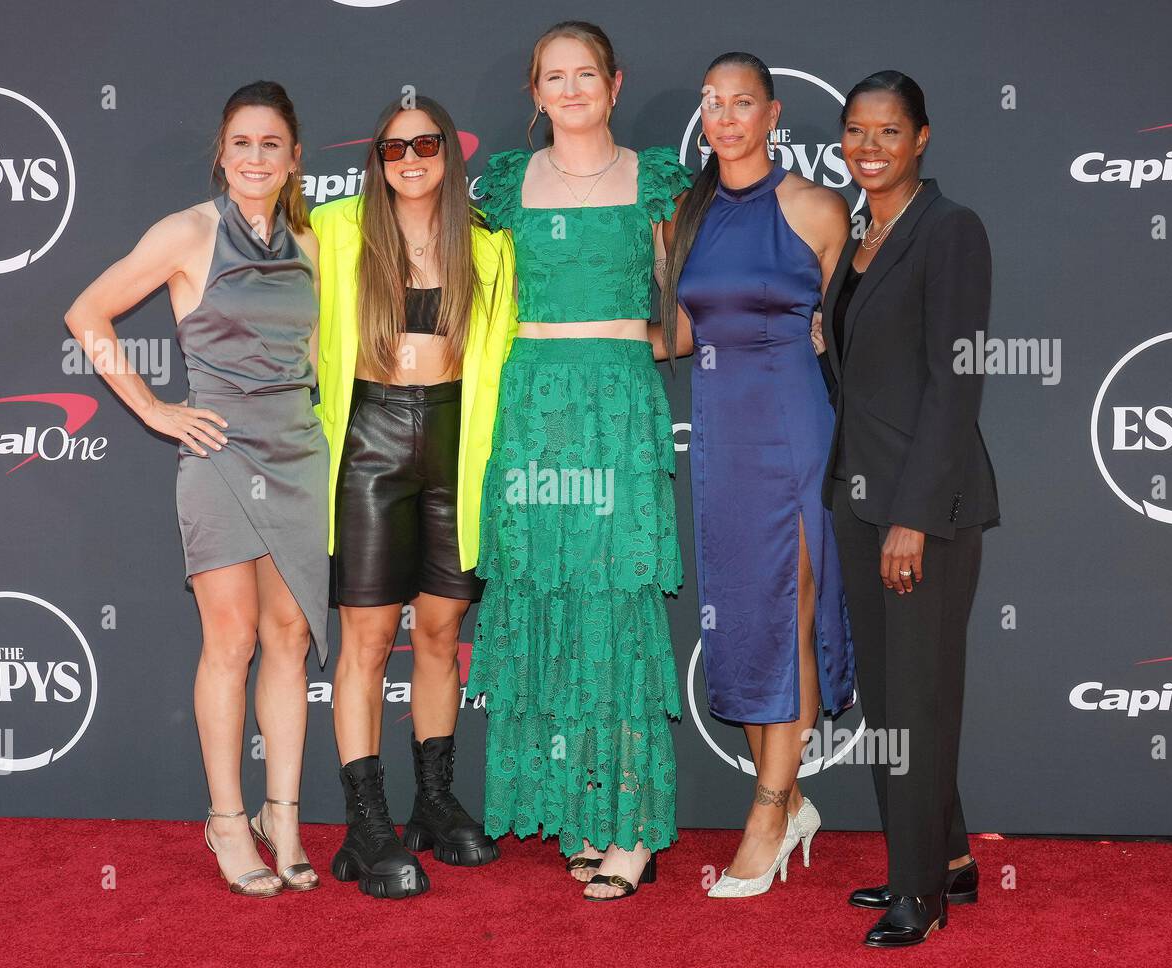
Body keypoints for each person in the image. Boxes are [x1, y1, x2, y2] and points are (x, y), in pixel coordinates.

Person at [65, 81, 327, 897]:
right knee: (233, 638)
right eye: (241, 143)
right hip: (217, 447)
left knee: (289, 638)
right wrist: (155, 411)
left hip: (298, 449)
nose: (256, 158)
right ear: (222, 152)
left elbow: (314, 353)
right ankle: (225, 818)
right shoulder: (188, 231)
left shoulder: (308, 243)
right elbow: (87, 314)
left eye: (271, 144)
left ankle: (282, 816)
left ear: (293, 159)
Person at [466, 20, 691, 902]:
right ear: (534, 92)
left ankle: (630, 828)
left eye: (584, 74)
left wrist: (629, 353)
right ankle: (580, 814)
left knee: (618, 608)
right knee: (546, 599)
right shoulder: (507, 186)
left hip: (620, 409)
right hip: (531, 414)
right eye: (552, 77)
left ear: (615, 82)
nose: (569, 89)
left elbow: (686, 312)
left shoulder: (654, 182)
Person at [655, 52, 856, 898]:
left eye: (743, 102)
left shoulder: (819, 209)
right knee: (744, 612)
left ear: (774, 114)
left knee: (793, 608)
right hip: (725, 438)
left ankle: (769, 811)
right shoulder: (681, 217)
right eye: (714, 102)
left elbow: (850, 332)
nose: (726, 116)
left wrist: (820, 331)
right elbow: (669, 336)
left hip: (798, 427)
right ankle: (793, 798)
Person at [311, 95, 516, 899]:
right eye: (394, 148)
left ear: (447, 154)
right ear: (377, 160)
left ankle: (433, 800)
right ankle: (368, 822)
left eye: (426, 143)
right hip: (368, 441)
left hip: (456, 446)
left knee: (439, 631)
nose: (411, 158)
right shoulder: (333, 231)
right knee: (364, 639)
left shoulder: (489, 248)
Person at [820, 70, 999, 946]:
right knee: (893, 700)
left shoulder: (949, 230)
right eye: (856, 130)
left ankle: (918, 892)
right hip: (858, 496)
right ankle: (949, 858)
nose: (870, 147)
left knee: (918, 700)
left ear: (921, 137)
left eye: (889, 132)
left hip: (924, 507)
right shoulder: (861, 238)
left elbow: (955, 380)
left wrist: (913, 515)